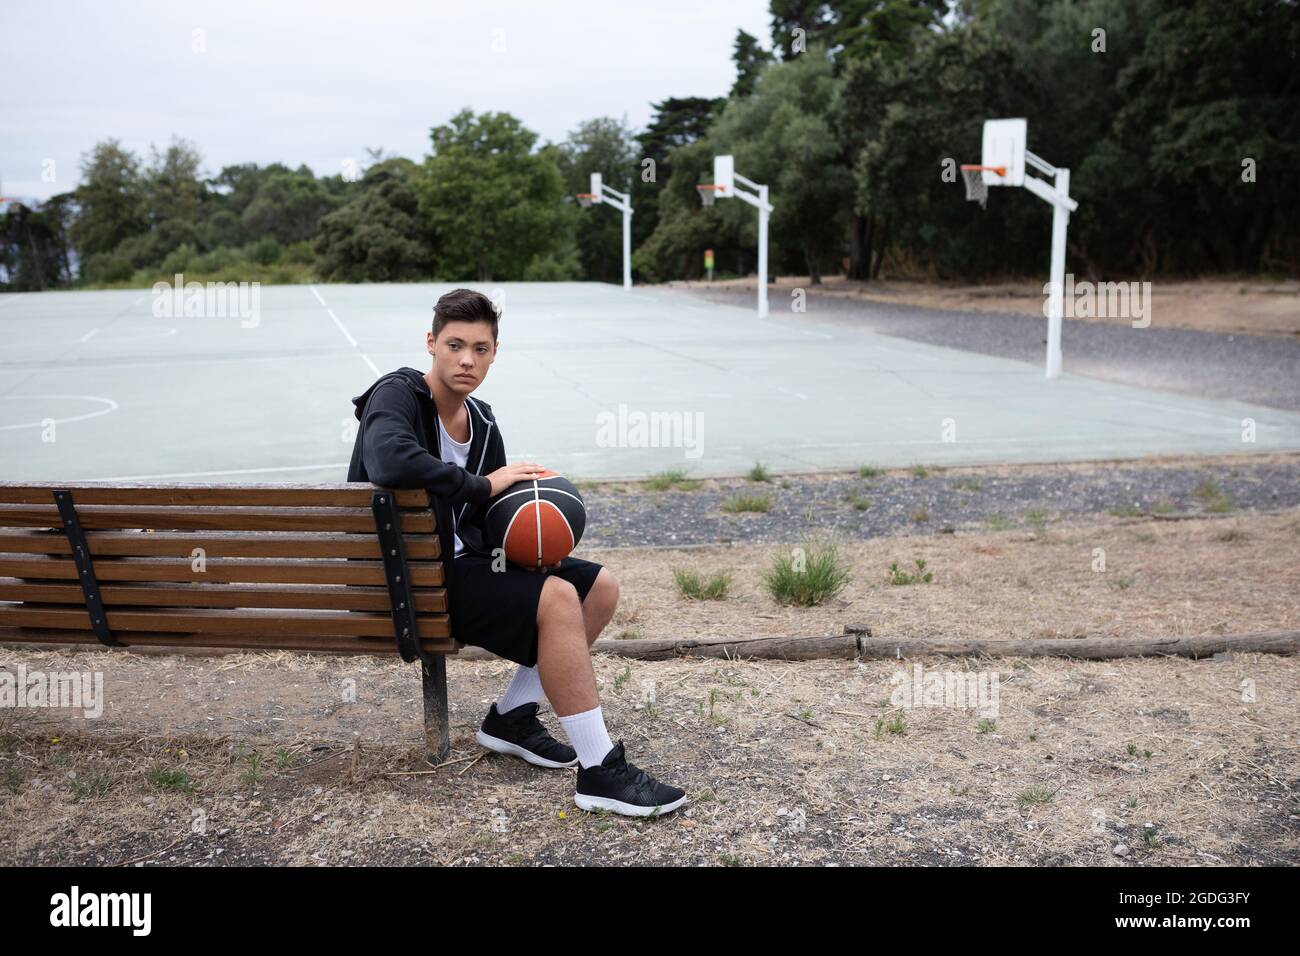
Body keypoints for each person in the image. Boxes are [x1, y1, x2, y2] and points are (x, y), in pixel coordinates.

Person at [347, 288, 686, 817]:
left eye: (480, 349)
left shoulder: (481, 421)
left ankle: (511, 717)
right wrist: (484, 486)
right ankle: (600, 770)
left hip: (461, 570)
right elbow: (390, 460)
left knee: (596, 587)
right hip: (408, 579)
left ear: (494, 354)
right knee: (554, 599)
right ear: (431, 343)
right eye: (455, 345)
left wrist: (528, 547)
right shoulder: (397, 395)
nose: (466, 360)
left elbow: (488, 518)